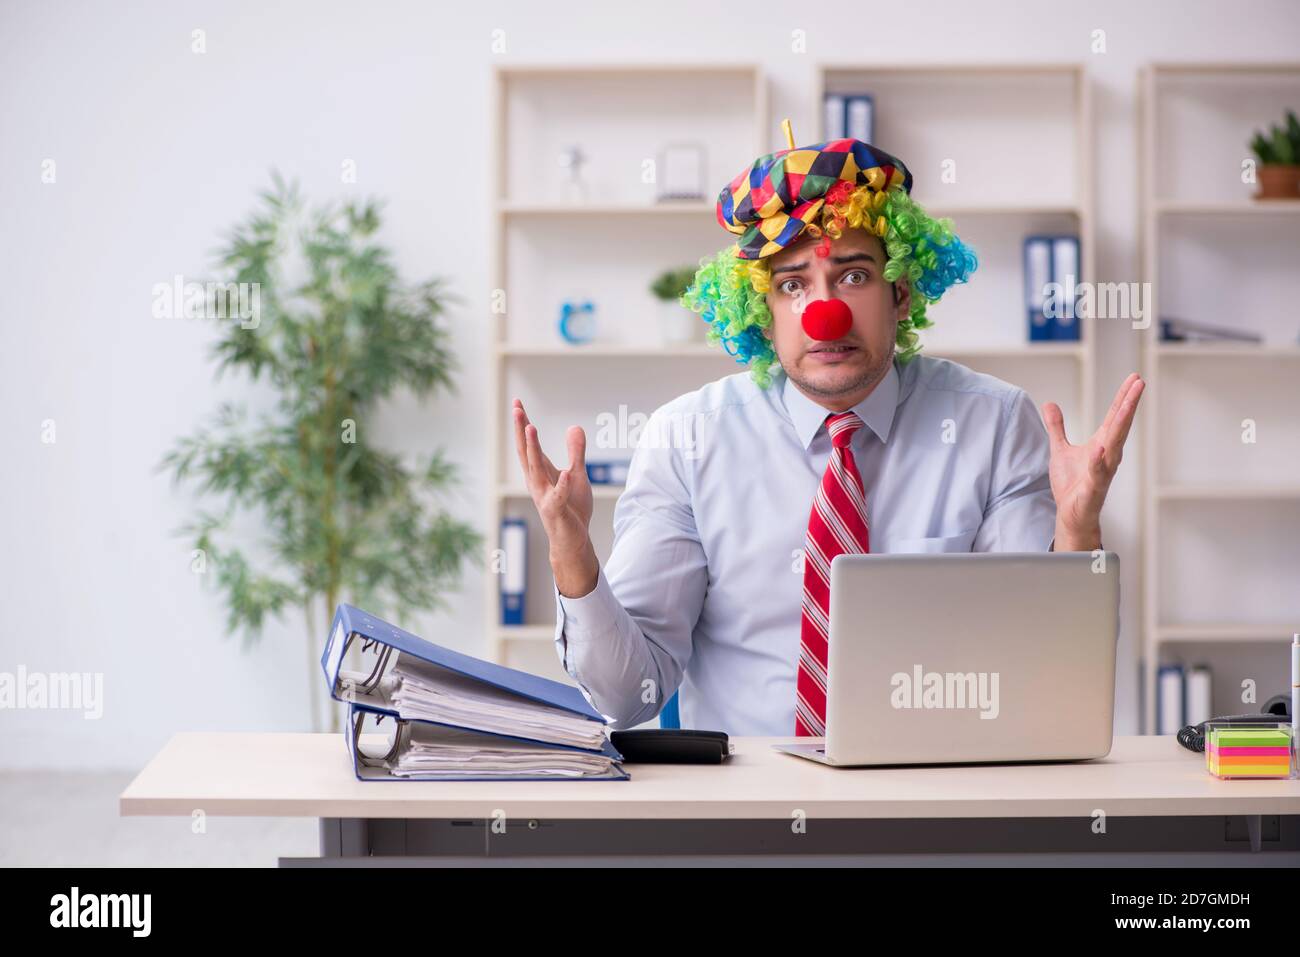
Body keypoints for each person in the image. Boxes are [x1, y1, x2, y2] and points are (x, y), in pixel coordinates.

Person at [512, 130, 1144, 735]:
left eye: (853, 276)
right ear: (761, 312)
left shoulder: (994, 424)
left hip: (936, 801)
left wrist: (1077, 531)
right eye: (793, 285)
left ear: (900, 292)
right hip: (747, 819)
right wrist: (572, 550)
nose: (826, 314)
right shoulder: (686, 439)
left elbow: (1047, 671)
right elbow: (625, 698)